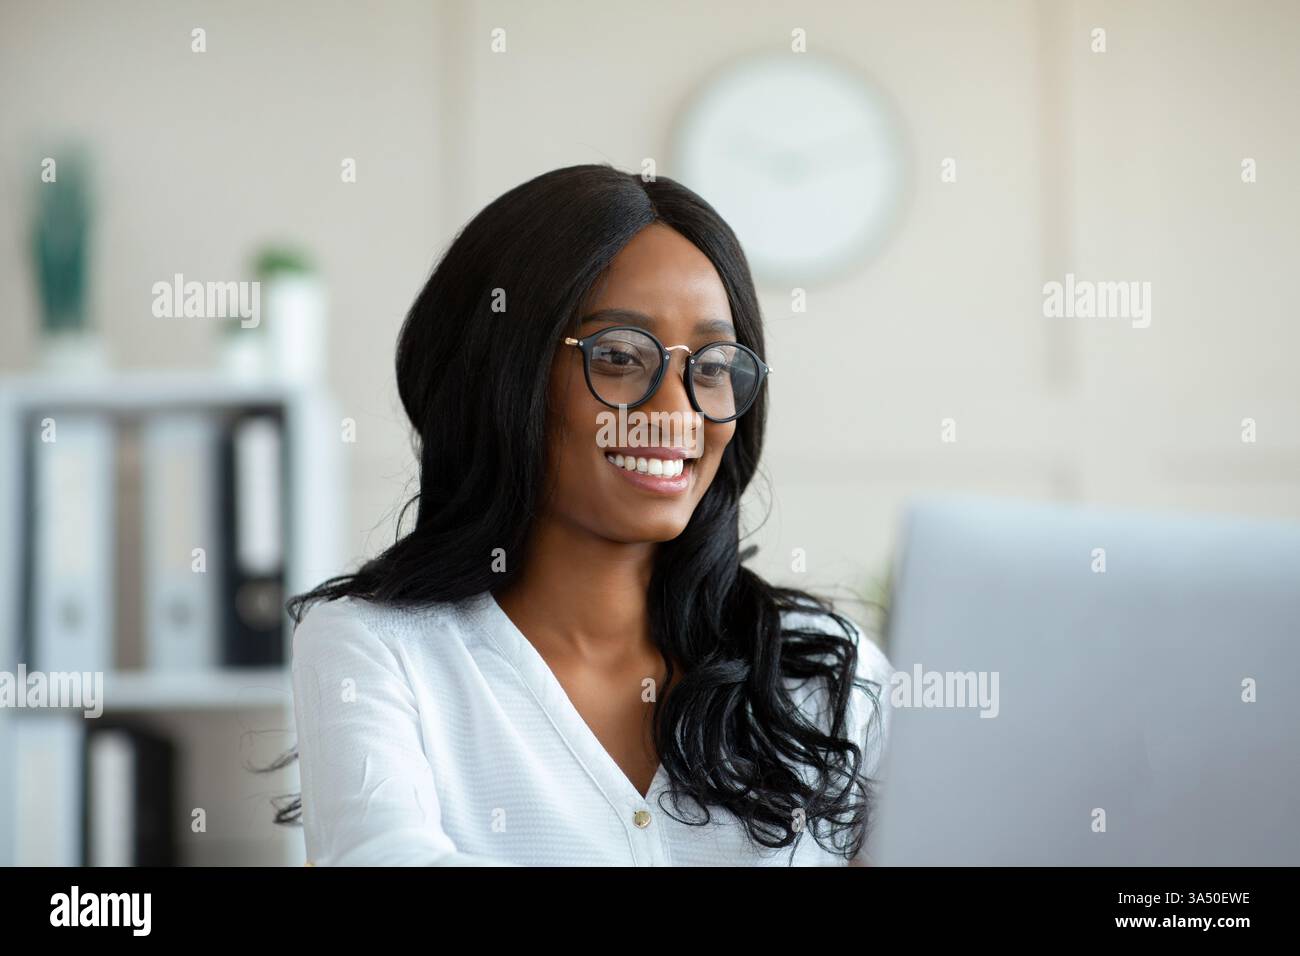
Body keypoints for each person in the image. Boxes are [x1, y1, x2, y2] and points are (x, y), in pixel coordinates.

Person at [286, 164, 892, 866]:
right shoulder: (380, 650)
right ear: (503, 374)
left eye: (712, 366)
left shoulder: (826, 673)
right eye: (618, 357)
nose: (675, 412)